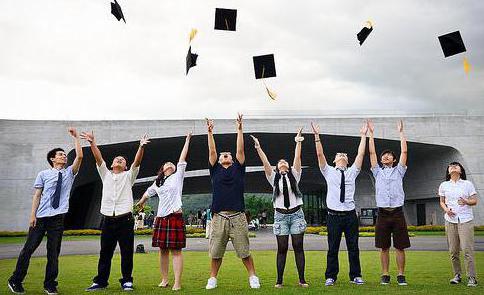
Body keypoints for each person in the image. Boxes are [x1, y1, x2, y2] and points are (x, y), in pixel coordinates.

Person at [8, 128, 83, 295]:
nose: (64, 156)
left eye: (64, 154)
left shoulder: (70, 173)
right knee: (28, 250)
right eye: (60, 154)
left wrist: (77, 137)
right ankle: (15, 280)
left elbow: (79, 156)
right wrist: (32, 215)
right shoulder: (43, 174)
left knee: (53, 254)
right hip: (40, 218)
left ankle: (50, 285)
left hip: (57, 219)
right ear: (52, 158)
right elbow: (37, 195)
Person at [82, 131, 150, 292]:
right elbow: (99, 160)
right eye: (116, 159)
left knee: (127, 252)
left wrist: (141, 147)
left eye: (123, 160)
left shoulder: (129, 176)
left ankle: (127, 280)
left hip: (125, 220)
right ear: (112, 165)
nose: (119, 160)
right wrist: (92, 143)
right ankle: (100, 281)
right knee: (105, 252)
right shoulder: (105, 174)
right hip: (107, 219)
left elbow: (137, 162)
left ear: (125, 166)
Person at [205, 114, 260, 290]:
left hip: (238, 216)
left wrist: (239, 129)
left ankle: (253, 277)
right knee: (216, 253)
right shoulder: (215, 170)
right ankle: (212, 279)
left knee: (244, 251)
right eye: (223, 155)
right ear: (219, 160)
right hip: (219, 216)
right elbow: (212, 152)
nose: (225, 155)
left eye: (228, 154)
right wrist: (210, 133)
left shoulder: (238, 168)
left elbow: (240, 151)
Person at [251, 128, 308, 288]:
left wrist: (298, 141)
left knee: (298, 246)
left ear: (289, 166)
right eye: (280, 162)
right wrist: (258, 147)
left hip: (296, 214)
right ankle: (279, 280)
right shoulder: (273, 178)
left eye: (285, 162)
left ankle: (302, 279)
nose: (283, 162)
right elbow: (265, 162)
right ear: (277, 167)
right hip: (280, 216)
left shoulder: (295, 176)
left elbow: (297, 156)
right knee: (282, 248)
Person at [312, 121, 367, 286]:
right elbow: (320, 155)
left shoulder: (352, 172)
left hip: (350, 215)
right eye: (338, 155)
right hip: (333, 216)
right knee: (332, 248)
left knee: (353, 248)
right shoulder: (328, 171)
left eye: (344, 155)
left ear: (347, 161)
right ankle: (330, 276)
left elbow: (360, 154)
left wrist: (363, 135)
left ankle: (355, 276)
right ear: (334, 161)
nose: (342, 155)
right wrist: (317, 137)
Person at [136, 131, 192, 291]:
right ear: (163, 168)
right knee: (162, 251)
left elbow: (182, 158)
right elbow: (147, 193)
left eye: (171, 163)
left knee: (176, 251)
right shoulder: (158, 182)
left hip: (175, 216)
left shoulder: (178, 176)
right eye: (167, 163)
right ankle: (165, 279)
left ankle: (177, 282)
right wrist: (140, 203)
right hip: (161, 218)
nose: (170, 163)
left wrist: (187, 140)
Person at [368, 119, 410, 286]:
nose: (386, 156)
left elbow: (405, 152)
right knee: (383, 247)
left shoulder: (399, 171)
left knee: (400, 246)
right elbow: (371, 154)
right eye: (383, 155)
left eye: (389, 155)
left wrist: (401, 132)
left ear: (393, 159)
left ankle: (401, 274)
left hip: (398, 212)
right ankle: (385, 274)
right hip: (383, 213)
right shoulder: (377, 172)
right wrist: (371, 134)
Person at [438, 162, 479, 287]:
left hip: (465, 220)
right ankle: (457, 275)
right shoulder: (444, 185)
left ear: (461, 170)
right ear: (448, 171)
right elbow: (442, 202)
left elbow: (474, 201)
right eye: (451, 166)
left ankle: (472, 277)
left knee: (467, 249)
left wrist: (466, 201)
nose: (453, 167)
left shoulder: (467, 184)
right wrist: (446, 210)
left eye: (456, 165)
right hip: (450, 220)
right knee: (453, 251)